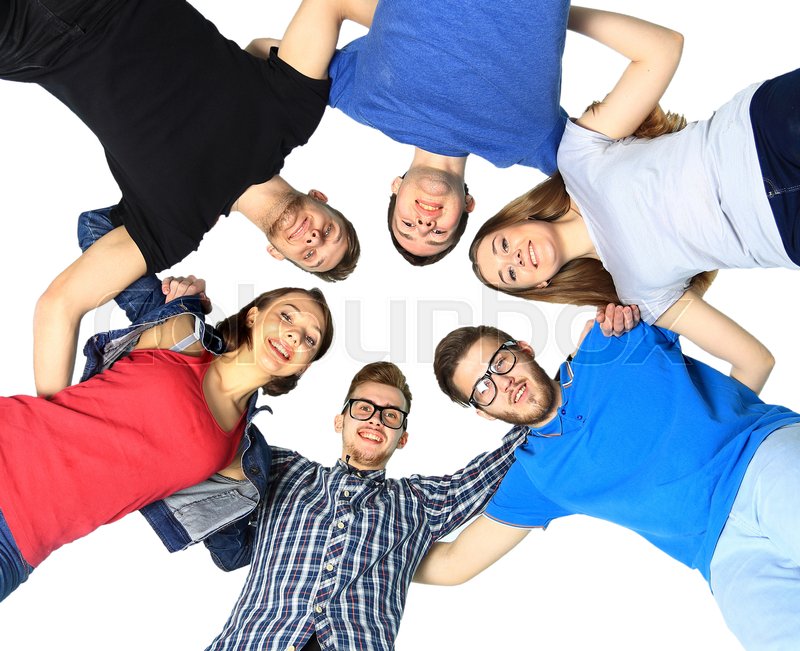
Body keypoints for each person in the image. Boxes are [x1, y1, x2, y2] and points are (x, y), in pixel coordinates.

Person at [0, 0, 366, 398]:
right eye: (330, 231)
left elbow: (59, 306)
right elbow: (333, 5)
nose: (314, 240)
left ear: (278, 253)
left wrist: (50, 427)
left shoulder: (174, 229)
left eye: (312, 256)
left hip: (33, 43)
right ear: (320, 197)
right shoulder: (292, 112)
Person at [471, 6, 800, 395]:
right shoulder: (639, 298)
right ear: (539, 284)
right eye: (510, 274)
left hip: (766, 131)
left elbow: (662, 49)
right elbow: (753, 361)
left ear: (519, 218)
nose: (515, 257)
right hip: (786, 231)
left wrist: (554, 12)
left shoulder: (577, 160)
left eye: (503, 244)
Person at [424, 319, 800, 649]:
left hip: (760, 460)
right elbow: (454, 565)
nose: (503, 383)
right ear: (483, 413)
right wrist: (367, 558)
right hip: (722, 555)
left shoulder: (609, 340)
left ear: (524, 349)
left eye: (500, 362)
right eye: (483, 388)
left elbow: (677, 270)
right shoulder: (535, 475)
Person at [0, 260, 335, 603]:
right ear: (253, 316)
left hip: (19, 546)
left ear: (303, 366)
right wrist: (181, 291)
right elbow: (97, 230)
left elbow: (235, 553)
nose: (294, 334)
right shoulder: (181, 333)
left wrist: (324, 523)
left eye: (309, 338)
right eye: (287, 316)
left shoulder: (242, 457)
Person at [203, 361, 523, 651]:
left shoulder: (416, 503)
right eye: (364, 408)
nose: (376, 420)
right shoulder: (283, 470)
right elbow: (212, 443)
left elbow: (491, 470)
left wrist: (551, 399)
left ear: (402, 438)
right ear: (340, 420)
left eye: (391, 415)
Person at [326, 0, 570, 265]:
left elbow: (282, 63)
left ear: (397, 187)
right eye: (439, 233)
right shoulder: (528, 145)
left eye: (406, 224)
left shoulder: (364, 102)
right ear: (468, 204)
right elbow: (604, 197)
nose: (424, 224)